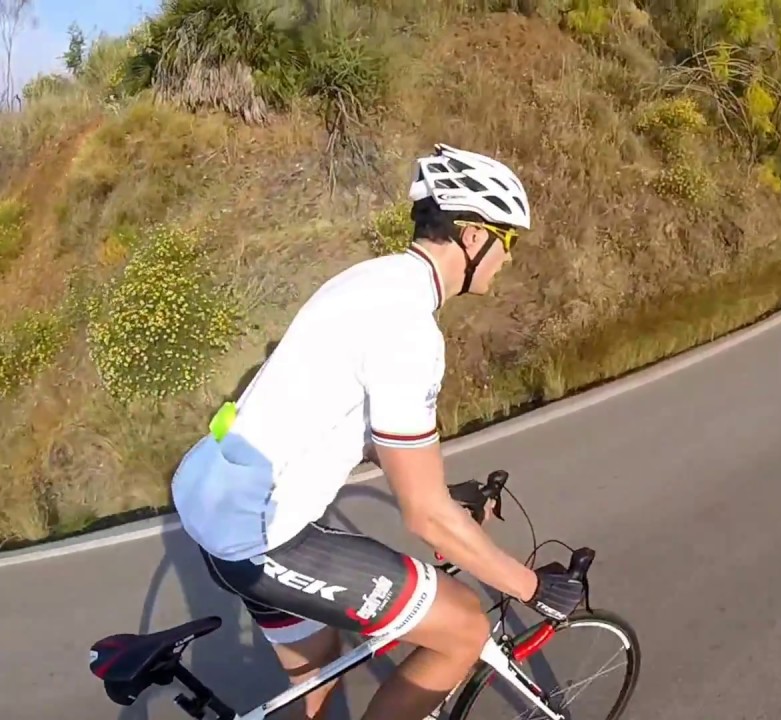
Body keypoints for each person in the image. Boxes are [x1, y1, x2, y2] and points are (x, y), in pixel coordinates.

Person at [170, 143, 584, 720]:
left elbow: (346, 416)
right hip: (258, 537)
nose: (509, 258)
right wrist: (532, 588)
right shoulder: (411, 329)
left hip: (212, 502)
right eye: (507, 240)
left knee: (317, 662)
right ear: (471, 237)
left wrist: (442, 492)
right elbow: (424, 517)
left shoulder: (371, 280)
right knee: (463, 627)